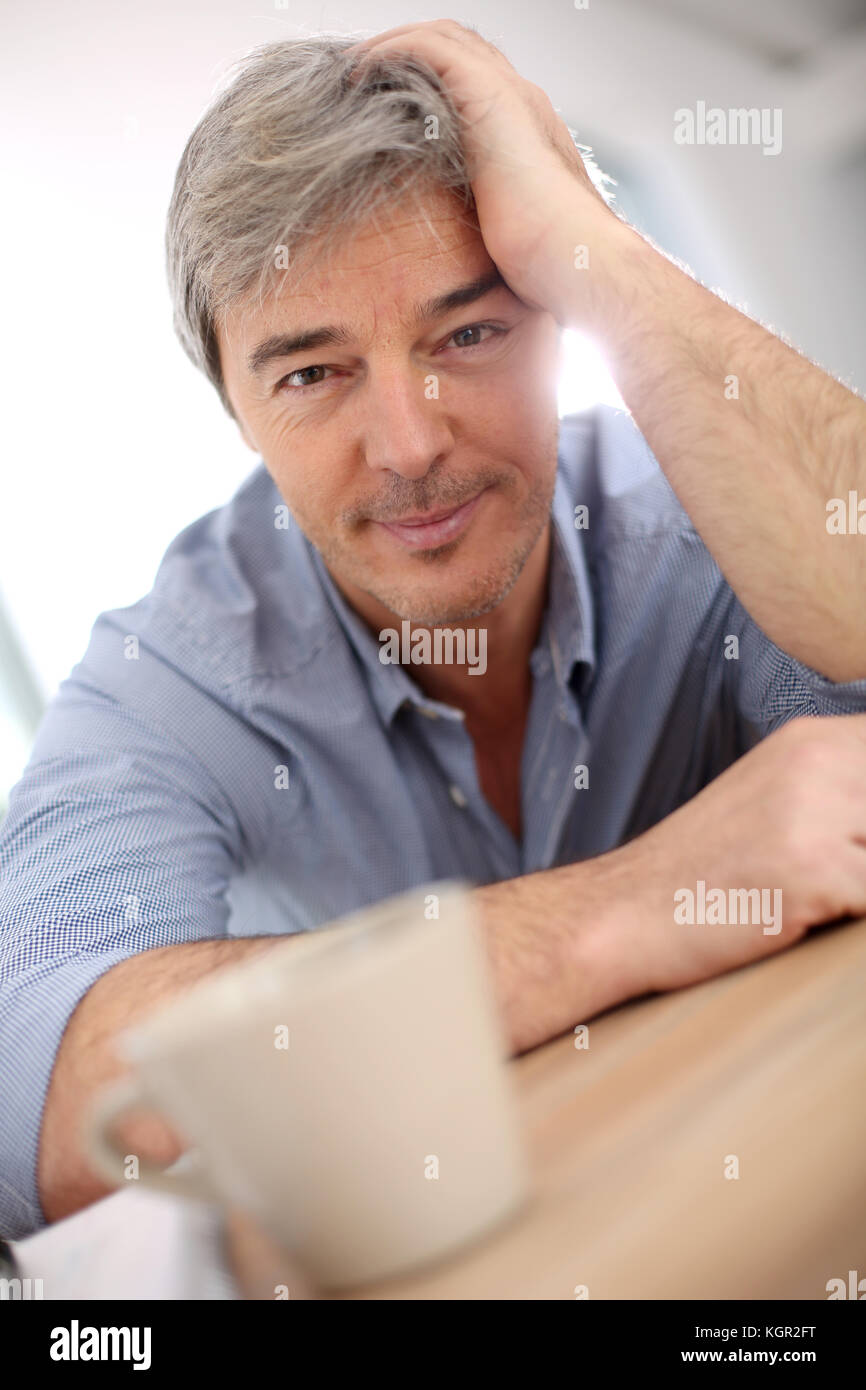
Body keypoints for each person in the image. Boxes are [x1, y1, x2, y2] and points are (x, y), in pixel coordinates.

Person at [2, 21, 865, 1240]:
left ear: (557, 320)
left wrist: (605, 257)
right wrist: (635, 900)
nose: (409, 446)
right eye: (312, 374)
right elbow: (49, 1095)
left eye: (469, 333)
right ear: (234, 406)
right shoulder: (175, 672)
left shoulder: (711, 524)